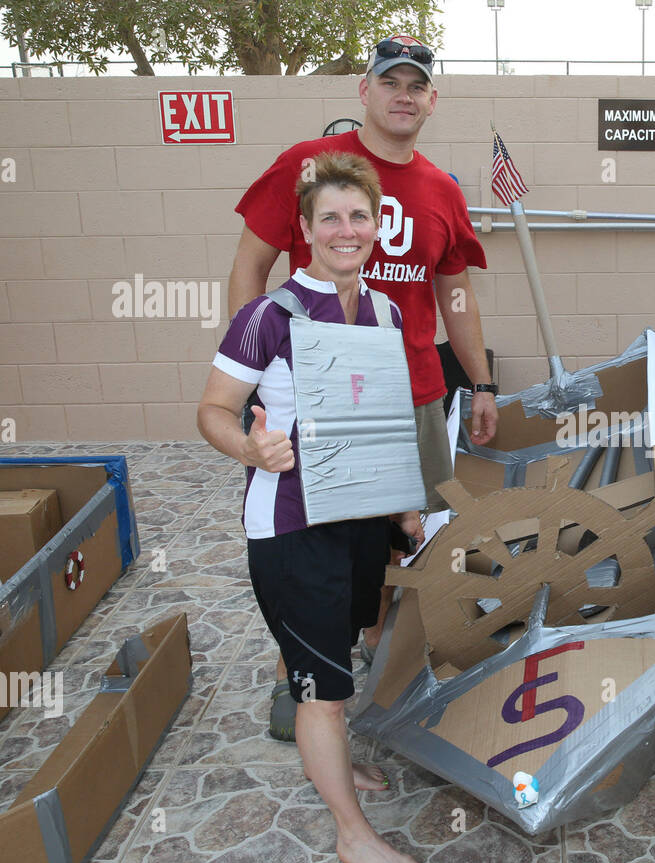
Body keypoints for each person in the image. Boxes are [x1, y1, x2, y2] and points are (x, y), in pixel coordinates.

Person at [228, 35, 497, 739]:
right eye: (390, 81)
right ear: (365, 90)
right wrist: (253, 364)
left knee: (401, 535)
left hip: (411, 393)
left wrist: (485, 383)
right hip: (323, 397)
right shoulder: (306, 168)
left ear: (432, 99)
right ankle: (314, 670)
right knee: (317, 539)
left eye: (416, 84)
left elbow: (455, 290)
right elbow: (250, 263)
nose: (402, 94)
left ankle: (382, 656)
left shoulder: (441, 189)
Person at [198, 152, 422, 863]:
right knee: (320, 688)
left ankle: (333, 760)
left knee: (346, 647)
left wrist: (404, 505)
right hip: (293, 527)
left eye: (359, 216)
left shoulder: (383, 308)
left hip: (360, 516)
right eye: (331, 218)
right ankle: (352, 836)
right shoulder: (268, 317)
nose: (347, 230)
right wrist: (251, 450)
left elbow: (384, 415)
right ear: (305, 228)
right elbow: (212, 410)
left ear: (377, 225)